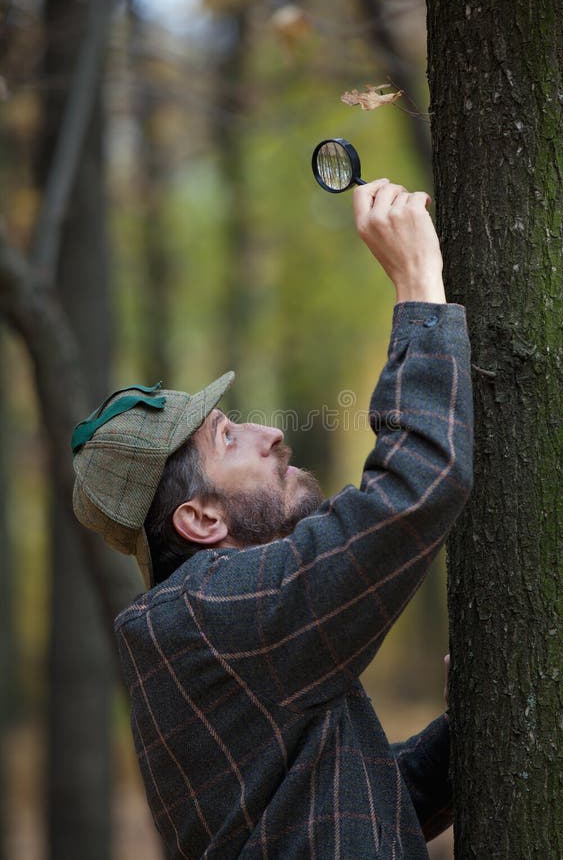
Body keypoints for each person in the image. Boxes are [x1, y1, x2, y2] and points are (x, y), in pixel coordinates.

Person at [72, 178, 473, 859]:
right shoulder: (207, 619)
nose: (271, 434)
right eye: (227, 438)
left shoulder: (210, 643)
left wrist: (471, 727)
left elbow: (365, 806)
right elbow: (418, 484)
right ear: (198, 520)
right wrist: (418, 287)